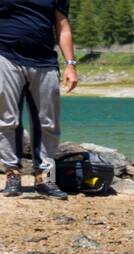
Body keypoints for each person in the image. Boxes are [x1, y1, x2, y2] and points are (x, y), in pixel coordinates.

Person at [0, 0, 77, 199]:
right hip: (5, 56)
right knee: (7, 119)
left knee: (48, 123)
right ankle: (12, 174)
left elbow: (62, 26)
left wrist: (70, 64)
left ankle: (45, 177)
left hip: (45, 62)